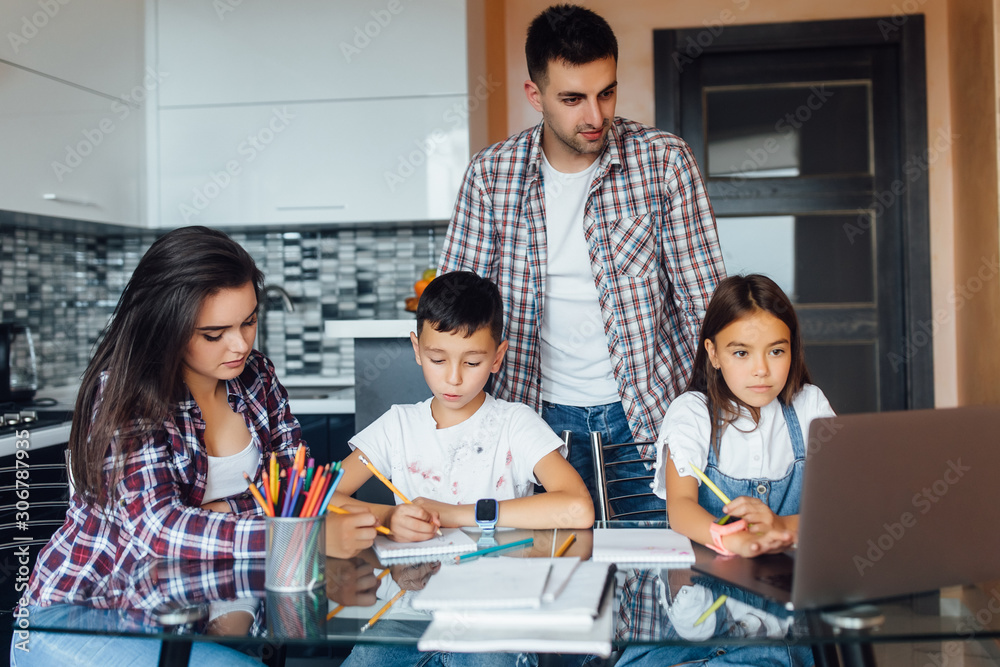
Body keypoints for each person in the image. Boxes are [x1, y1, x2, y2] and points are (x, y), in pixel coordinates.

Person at [12, 226, 379, 667]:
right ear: (166, 326)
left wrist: (255, 516)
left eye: (249, 321)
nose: (240, 344)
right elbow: (159, 530)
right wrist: (301, 536)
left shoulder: (257, 376)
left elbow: (294, 490)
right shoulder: (126, 391)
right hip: (86, 614)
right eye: (214, 333)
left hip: (209, 612)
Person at [439, 4, 726, 518]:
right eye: (573, 99)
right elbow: (456, 319)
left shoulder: (663, 162)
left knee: (660, 579)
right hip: (535, 427)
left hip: (649, 420)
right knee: (551, 582)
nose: (595, 116)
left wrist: (728, 418)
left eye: (606, 92)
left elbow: (706, 306)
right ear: (536, 95)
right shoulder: (491, 177)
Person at [615, 274, 834, 667]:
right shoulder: (693, 412)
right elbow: (680, 508)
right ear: (713, 354)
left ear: (793, 350)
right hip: (693, 606)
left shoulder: (809, 406)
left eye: (776, 351)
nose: (761, 370)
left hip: (782, 617)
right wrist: (730, 539)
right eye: (741, 353)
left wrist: (781, 529)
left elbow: (844, 509)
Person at [331, 270, 594, 540]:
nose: (453, 379)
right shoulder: (397, 426)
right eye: (437, 359)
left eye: (471, 363)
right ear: (417, 349)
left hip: (503, 580)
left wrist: (456, 514)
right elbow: (321, 498)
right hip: (420, 579)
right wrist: (387, 517)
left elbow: (578, 509)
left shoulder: (515, 424)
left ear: (497, 357)